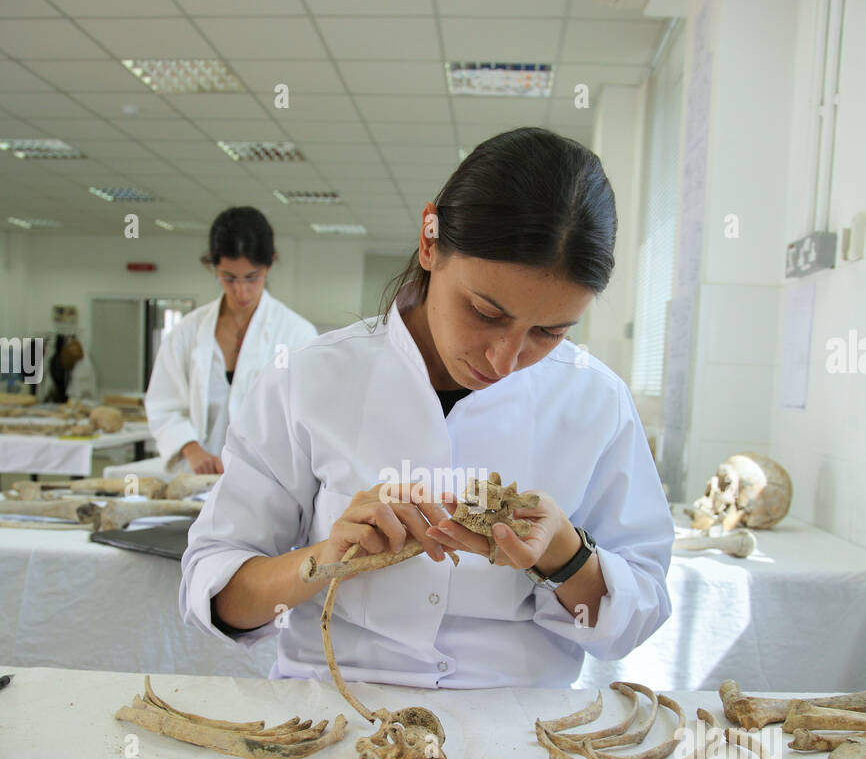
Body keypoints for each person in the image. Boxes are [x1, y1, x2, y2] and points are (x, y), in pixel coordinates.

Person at [180, 128, 674, 690]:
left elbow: (638, 618)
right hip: (334, 709)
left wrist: (564, 556)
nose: (504, 359)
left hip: (518, 720)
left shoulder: (595, 400)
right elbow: (215, 595)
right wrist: (324, 558)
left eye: (549, 331)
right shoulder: (309, 378)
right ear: (430, 241)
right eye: (485, 311)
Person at [144, 207, 317, 474]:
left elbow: (307, 419)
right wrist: (191, 449)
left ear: (270, 263)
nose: (241, 291)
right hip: (195, 479)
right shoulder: (186, 333)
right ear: (213, 266)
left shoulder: (298, 335)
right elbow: (163, 406)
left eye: (252, 277)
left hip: (267, 481)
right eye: (229, 277)